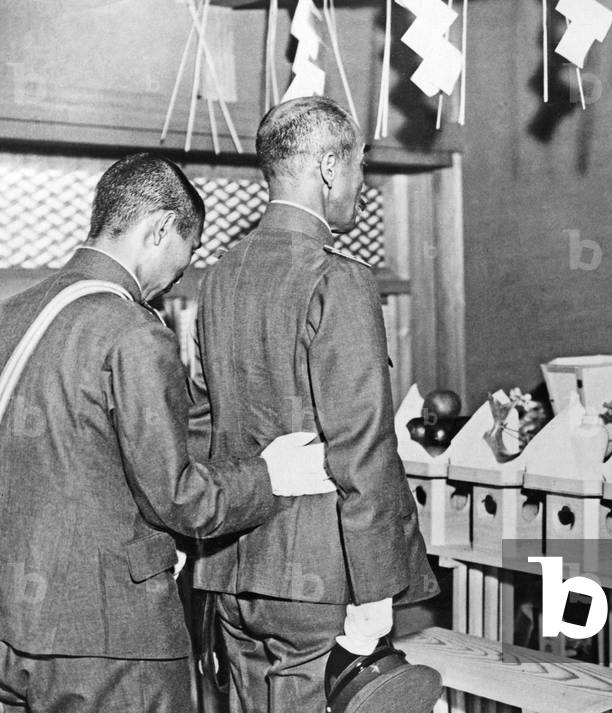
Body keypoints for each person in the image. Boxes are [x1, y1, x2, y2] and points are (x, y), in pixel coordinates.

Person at [0, 153, 334, 713]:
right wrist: (270, 475)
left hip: (12, 629)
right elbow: (179, 499)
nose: (183, 271)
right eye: (188, 249)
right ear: (159, 228)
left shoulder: (14, 314)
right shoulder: (132, 329)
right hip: (109, 643)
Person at [191, 96, 438, 712]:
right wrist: (377, 589)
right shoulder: (338, 280)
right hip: (318, 576)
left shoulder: (219, 275)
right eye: (358, 163)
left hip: (231, 572)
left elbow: (199, 427)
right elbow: (362, 447)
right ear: (330, 167)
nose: (362, 180)